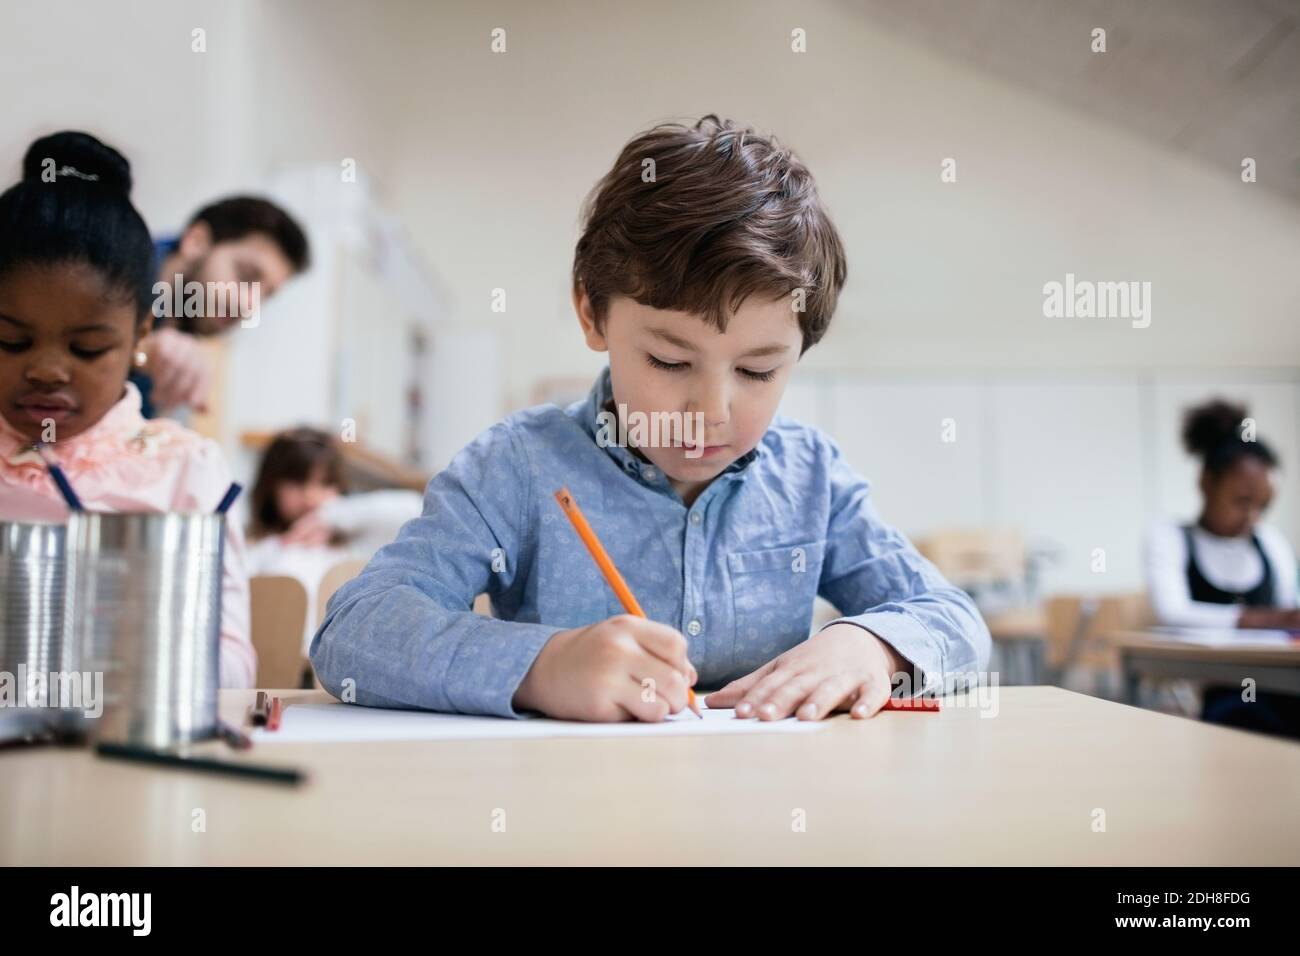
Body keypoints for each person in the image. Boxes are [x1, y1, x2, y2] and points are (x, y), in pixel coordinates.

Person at [311, 115, 989, 722]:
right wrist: (542, 667)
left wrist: (874, 646)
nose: (710, 412)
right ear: (591, 313)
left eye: (757, 371)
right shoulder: (518, 467)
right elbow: (355, 631)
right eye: (669, 360)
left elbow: (955, 619)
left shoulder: (810, 477)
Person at [0, 130, 255, 687]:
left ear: (142, 333)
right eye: (10, 341)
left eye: (87, 348)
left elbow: (232, 669)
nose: (47, 370)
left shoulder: (185, 470)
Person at [1144, 398, 1300, 738]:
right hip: (1224, 691)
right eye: (1242, 501)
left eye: (1263, 505)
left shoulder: (1270, 543)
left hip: (1285, 683)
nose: (1252, 517)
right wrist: (1266, 619)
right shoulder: (1170, 538)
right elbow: (1173, 612)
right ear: (1207, 482)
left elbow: (1291, 617)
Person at [132, 196, 311, 417]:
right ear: (196, 242)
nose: (249, 307)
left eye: (265, 296)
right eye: (246, 276)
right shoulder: (105, 269)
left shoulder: (182, 324)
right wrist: (137, 353)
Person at [246, 427, 421, 650]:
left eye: (325, 483)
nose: (311, 496)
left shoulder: (354, 544)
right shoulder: (259, 550)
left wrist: (332, 515)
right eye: (298, 482)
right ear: (271, 486)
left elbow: (414, 508)